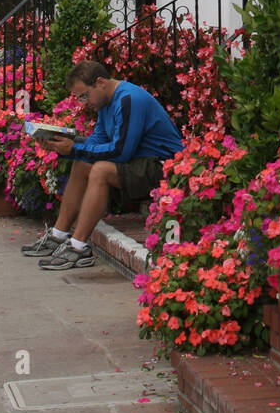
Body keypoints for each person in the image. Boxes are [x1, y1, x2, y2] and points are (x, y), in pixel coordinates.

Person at [20, 60, 182, 271]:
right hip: (140, 162)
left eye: (84, 95)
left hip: (164, 167)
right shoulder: (106, 103)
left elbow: (120, 152)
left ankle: (78, 248)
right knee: (83, 163)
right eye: (78, 98)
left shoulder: (128, 99)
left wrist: (74, 148)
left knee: (100, 170)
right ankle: (58, 236)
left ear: (100, 82)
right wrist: (61, 142)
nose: (83, 103)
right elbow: (97, 143)